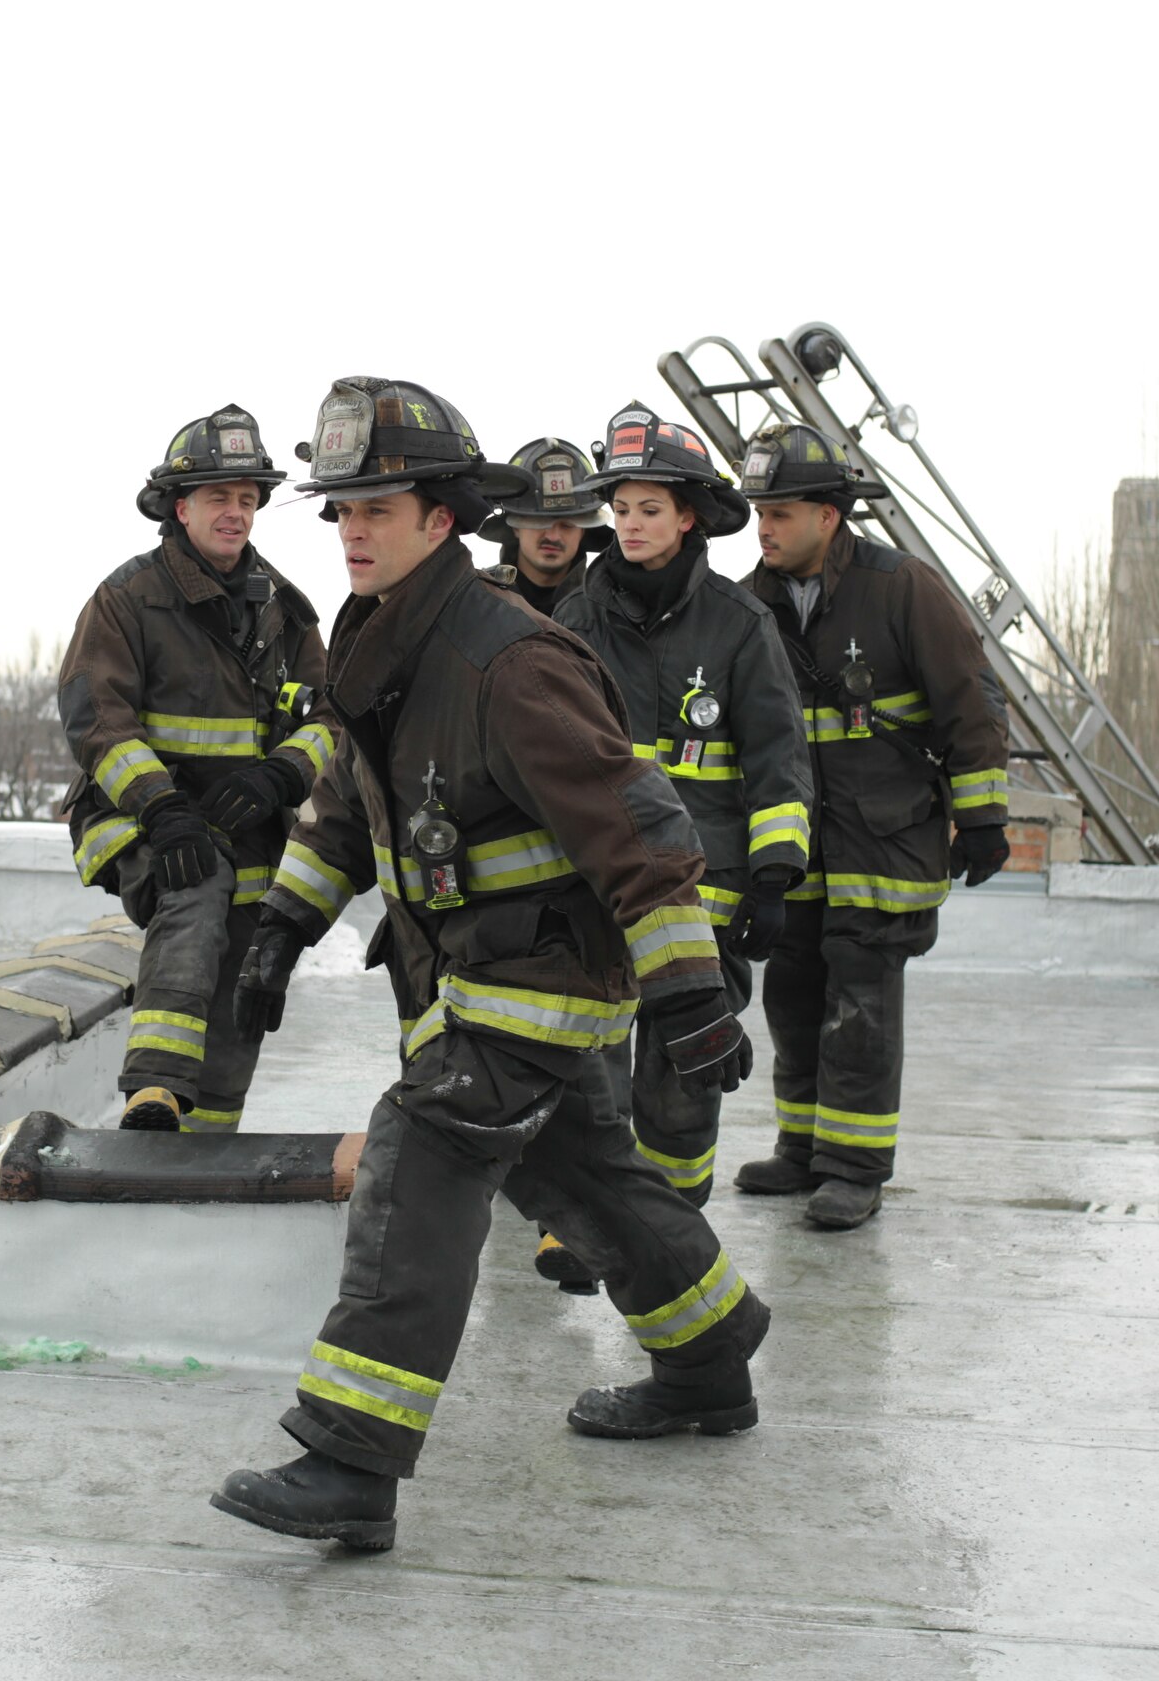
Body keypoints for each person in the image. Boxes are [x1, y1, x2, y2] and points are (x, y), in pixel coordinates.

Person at [210, 379, 772, 1552]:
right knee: (585, 1176)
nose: (354, 529)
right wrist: (280, 928)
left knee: (420, 1161)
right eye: (343, 509)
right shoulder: (381, 643)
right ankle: (711, 1357)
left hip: (540, 977)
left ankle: (350, 1459)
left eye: (382, 506)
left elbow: (640, 827)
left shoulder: (508, 662)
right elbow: (348, 812)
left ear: (442, 519)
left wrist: (689, 990)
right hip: (464, 972)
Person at [535, 404, 809, 1289]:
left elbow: (777, 758)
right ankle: (593, 1231)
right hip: (603, 892)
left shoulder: (737, 625)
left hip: (710, 902)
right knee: (597, 1072)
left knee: (683, 1087)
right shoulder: (576, 618)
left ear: (687, 516)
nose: (631, 525)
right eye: (620, 509)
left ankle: (672, 1237)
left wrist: (775, 874)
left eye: (649, 509)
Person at [728, 420, 1010, 1229]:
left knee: (861, 1004)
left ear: (830, 517)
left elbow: (970, 702)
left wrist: (984, 817)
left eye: (780, 513)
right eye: (759, 512)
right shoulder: (752, 605)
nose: (765, 528)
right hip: (800, 847)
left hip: (885, 840)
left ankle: (855, 1169)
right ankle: (803, 1148)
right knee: (794, 993)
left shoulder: (902, 588)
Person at [56, 406, 333, 1135]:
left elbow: (332, 719)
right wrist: (163, 808)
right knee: (195, 881)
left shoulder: (284, 610)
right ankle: (154, 1091)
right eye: (220, 497)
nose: (236, 512)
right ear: (181, 507)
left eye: (248, 499)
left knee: (250, 951)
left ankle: (211, 1138)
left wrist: (280, 777)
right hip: (142, 817)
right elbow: (96, 719)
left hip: (248, 826)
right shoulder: (128, 600)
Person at [474, 437, 609, 618]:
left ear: (583, 531)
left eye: (567, 525)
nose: (553, 536)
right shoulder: (478, 601)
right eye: (539, 522)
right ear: (515, 526)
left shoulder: (608, 611)